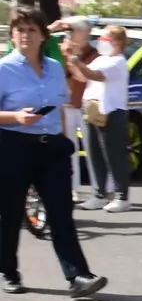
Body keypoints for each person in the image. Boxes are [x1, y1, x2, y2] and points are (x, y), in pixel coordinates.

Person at [0, 5, 106, 297]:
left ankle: (78, 277)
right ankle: (8, 271)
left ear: (43, 36)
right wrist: (15, 118)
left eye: (32, 29)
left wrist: (60, 139)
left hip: (51, 149)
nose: (25, 35)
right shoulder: (4, 69)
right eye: (20, 29)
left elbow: (59, 107)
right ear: (12, 35)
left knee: (61, 215)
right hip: (13, 147)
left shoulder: (54, 68)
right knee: (8, 214)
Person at [68, 24, 132, 213]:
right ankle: (99, 194)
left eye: (106, 39)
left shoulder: (118, 62)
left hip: (111, 112)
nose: (101, 42)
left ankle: (122, 197)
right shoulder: (100, 59)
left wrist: (75, 59)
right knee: (94, 154)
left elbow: (94, 76)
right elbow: (82, 76)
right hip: (92, 110)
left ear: (118, 42)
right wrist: (72, 59)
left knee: (114, 156)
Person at [50, 16, 98, 200]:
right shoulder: (59, 49)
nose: (69, 35)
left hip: (86, 107)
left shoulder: (93, 54)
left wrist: (71, 58)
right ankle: (73, 188)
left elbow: (83, 77)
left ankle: (98, 188)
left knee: (92, 150)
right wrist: (53, 27)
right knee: (69, 151)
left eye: (73, 31)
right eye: (68, 31)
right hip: (65, 106)